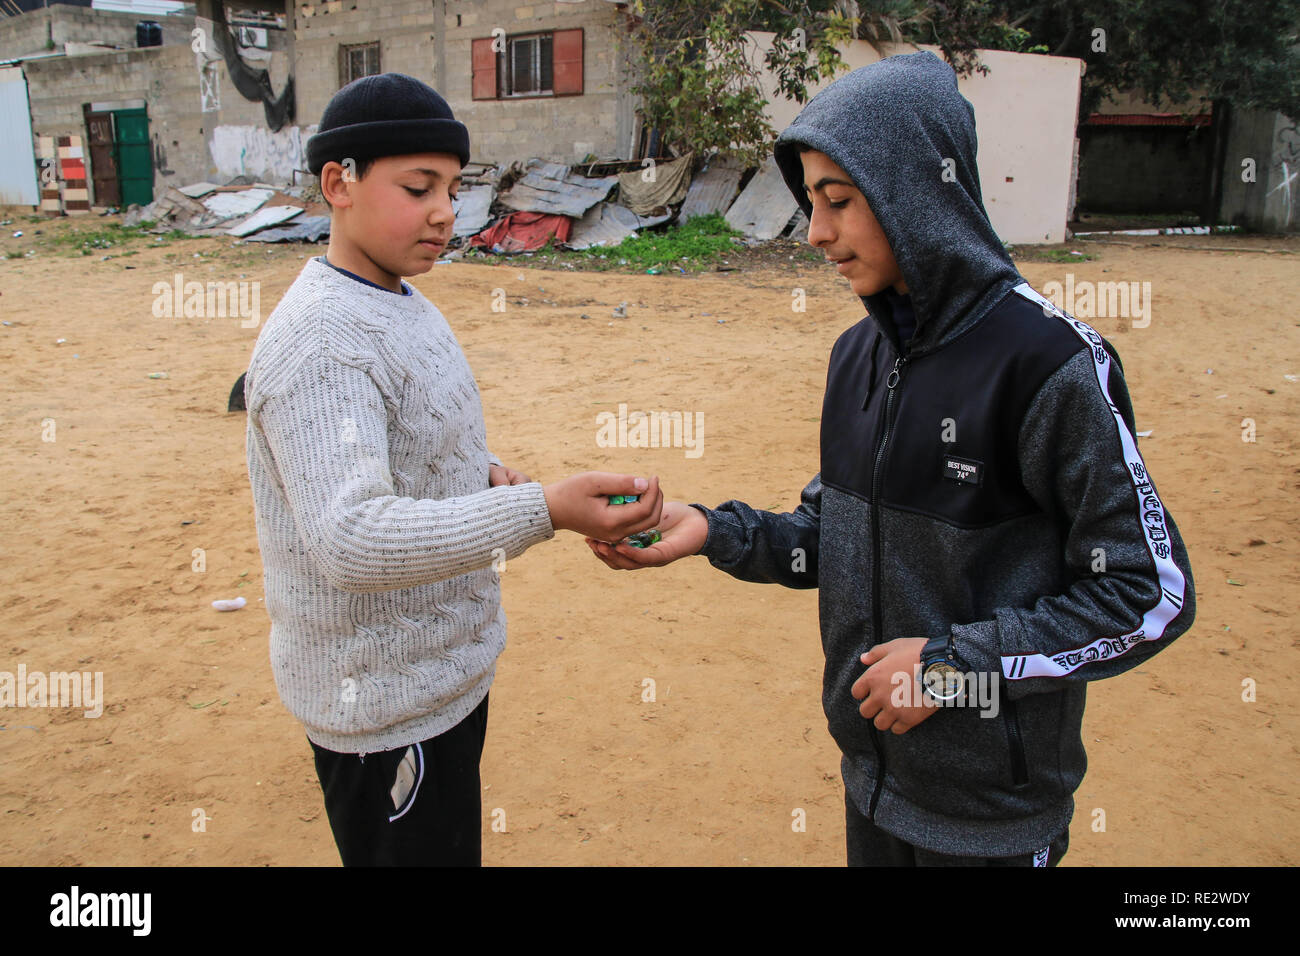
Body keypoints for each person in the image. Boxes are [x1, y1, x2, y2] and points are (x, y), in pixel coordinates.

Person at [587, 51, 1195, 866]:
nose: (816, 233)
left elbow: (1149, 594)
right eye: (810, 202)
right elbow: (828, 536)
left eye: (839, 200)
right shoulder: (859, 357)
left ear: (918, 191)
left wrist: (951, 668)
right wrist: (712, 530)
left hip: (992, 823)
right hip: (873, 790)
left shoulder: (1049, 366)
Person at [244, 72, 663, 866]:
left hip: (443, 680)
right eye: (417, 186)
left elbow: (414, 447)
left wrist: (485, 475)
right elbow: (352, 537)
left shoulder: (397, 296)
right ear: (340, 184)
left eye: (452, 186)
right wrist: (545, 509)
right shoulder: (322, 344)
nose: (446, 211)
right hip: (382, 710)